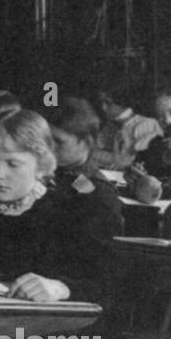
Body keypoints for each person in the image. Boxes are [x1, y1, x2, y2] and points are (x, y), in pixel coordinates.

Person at [0, 110, 106, 303]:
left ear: (41, 164)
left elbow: (102, 285)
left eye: (12, 164)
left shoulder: (71, 212)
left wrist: (60, 288)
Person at [46, 97, 123, 239]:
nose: (49, 148)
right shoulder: (62, 171)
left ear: (86, 142)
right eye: (47, 140)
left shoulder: (91, 187)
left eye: (58, 141)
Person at [92, 85, 161, 170]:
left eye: (107, 103)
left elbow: (143, 161)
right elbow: (97, 147)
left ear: (119, 103)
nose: (103, 107)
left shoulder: (147, 124)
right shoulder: (111, 125)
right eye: (102, 103)